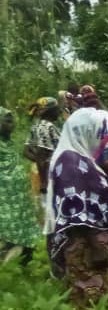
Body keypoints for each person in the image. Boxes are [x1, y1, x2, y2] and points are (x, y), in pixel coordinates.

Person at [44, 109, 108, 307]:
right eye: (99, 136)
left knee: (100, 293)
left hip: (93, 237)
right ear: (85, 132)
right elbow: (73, 208)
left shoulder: (79, 157)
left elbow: (89, 194)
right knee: (92, 293)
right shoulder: (70, 162)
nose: (102, 143)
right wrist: (96, 246)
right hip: (86, 241)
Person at [0, 108, 41, 265]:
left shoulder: (8, 146)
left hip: (19, 206)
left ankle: (23, 263)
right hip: (5, 206)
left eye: (11, 121)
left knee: (24, 238)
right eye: (5, 121)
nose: (11, 124)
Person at [24, 97, 62, 203]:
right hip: (47, 174)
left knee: (42, 206)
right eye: (57, 109)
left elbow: (26, 151)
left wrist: (38, 161)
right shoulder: (47, 127)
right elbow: (42, 154)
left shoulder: (36, 126)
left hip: (37, 171)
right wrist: (44, 181)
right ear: (49, 112)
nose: (59, 111)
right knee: (50, 206)